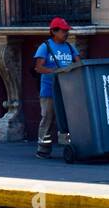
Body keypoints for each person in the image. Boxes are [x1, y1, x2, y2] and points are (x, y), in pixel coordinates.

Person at [32, 17, 79, 159]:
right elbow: (38, 67)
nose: (66, 33)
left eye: (67, 31)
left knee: (69, 119)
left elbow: (79, 64)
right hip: (49, 90)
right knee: (47, 118)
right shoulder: (45, 46)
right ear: (53, 31)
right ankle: (43, 149)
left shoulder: (70, 47)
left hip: (68, 90)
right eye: (63, 31)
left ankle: (69, 147)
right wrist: (55, 72)